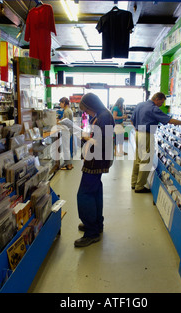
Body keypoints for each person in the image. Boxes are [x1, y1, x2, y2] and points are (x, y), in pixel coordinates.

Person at [131, 92, 181, 193]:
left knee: (138, 159)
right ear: (157, 99)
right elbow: (169, 120)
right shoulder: (154, 108)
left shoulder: (140, 105)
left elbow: (131, 120)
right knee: (146, 160)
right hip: (146, 134)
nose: (162, 104)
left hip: (137, 133)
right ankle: (139, 186)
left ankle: (134, 183)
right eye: (162, 102)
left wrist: (138, 130)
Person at [75, 93, 115, 247]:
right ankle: (96, 224)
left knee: (85, 195)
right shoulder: (103, 114)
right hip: (97, 159)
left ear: (91, 105)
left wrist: (84, 137)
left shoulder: (104, 116)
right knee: (95, 192)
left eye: (86, 109)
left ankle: (91, 232)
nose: (86, 113)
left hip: (95, 160)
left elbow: (101, 141)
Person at [59, 97, 74, 170]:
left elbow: (66, 122)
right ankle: (70, 164)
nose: (60, 104)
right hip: (70, 131)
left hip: (66, 131)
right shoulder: (70, 110)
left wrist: (59, 123)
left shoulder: (66, 111)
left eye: (61, 103)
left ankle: (68, 165)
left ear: (64, 103)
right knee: (67, 148)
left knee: (66, 148)